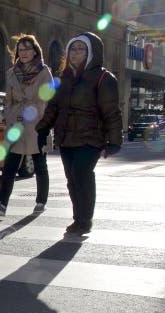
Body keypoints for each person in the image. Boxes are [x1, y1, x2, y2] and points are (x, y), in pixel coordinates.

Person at [36, 32, 122, 235]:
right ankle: (78, 218)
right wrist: (42, 129)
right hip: (66, 137)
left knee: (81, 174)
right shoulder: (63, 78)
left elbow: (111, 111)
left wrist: (115, 139)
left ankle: (85, 220)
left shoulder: (103, 77)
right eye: (72, 49)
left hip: (90, 137)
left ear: (91, 52)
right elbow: (53, 107)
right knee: (72, 179)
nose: (75, 53)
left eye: (80, 49)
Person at [0, 34, 53, 217]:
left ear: (35, 51)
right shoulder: (11, 72)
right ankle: (1, 203)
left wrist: (44, 121)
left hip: (36, 121)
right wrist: (8, 115)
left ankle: (41, 201)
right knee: (10, 164)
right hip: (16, 121)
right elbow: (7, 99)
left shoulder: (44, 71)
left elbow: (48, 98)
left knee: (40, 163)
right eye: (20, 49)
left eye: (27, 49)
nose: (23, 53)